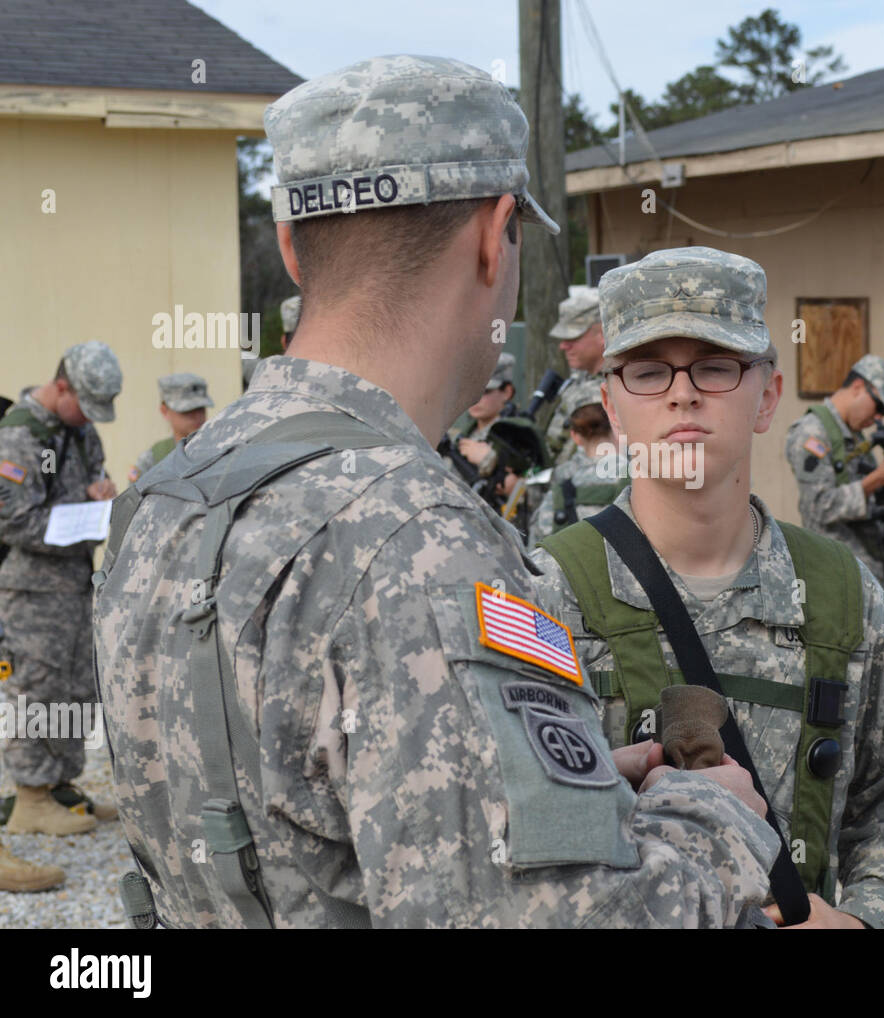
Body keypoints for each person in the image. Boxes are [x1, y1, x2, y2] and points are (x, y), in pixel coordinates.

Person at [92, 55, 779, 929]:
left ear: (296, 248)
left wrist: (567, 790)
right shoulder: (417, 537)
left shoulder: (163, 497)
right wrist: (711, 823)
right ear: (498, 235)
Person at [531, 246, 884, 929]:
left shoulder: (843, 595)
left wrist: (863, 921)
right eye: (647, 371)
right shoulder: (544, 595)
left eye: (716, 365)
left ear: (768, 398)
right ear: (611, 407)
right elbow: (509, 835)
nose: (682, 392)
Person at [0, 341, 121, 842]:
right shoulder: (17, 437)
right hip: (29, 591)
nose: (88, 420)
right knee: (33, 688)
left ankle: (62, 787)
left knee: (76, 687)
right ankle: (29, 799)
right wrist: (83, 516)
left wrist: (101, 492)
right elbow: (13, 520)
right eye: (84, 406)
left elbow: (97, 475)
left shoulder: (80, 430)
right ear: (62, 387)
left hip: (75, 584)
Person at [784, 355, 884, 587]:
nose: (878, 418)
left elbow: (873, 505)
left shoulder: (853, 436)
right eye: (879, 407)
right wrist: (875, 481)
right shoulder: (812, 433)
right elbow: (818, 508)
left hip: (866, 574)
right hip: (835, 578)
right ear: (858, 387)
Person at [526, 375, 620, 550]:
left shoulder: (556, 485)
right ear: (617, 424)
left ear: (575, 436)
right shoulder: (647, 476)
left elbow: (535, 556)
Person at [545, 287, 603, 465]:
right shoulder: (579, 381)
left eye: (572, 337)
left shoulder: (623, 386)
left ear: (602, 333)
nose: (563, 346)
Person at [126, 373, 214, 483]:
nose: (196, 416)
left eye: (200, 409)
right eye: (186, 411)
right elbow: (135, 497)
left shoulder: (221, 450)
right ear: (165, 411)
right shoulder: (154, 459)